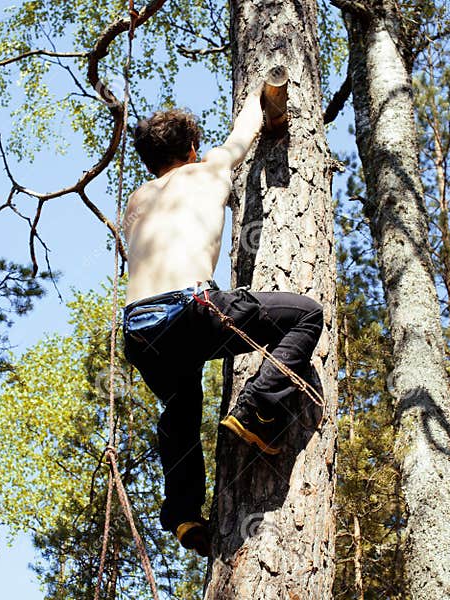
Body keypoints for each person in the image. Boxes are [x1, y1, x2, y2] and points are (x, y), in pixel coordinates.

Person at [121, 82, 323, 558]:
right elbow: (243, 135)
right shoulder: (208, 168)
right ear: (192, 150)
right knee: (306, 315)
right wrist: (262, 94)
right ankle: (257, 409)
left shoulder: (135, 201)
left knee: (182, 404)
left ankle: (185, 513)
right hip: (192, 309)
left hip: (139, 329)